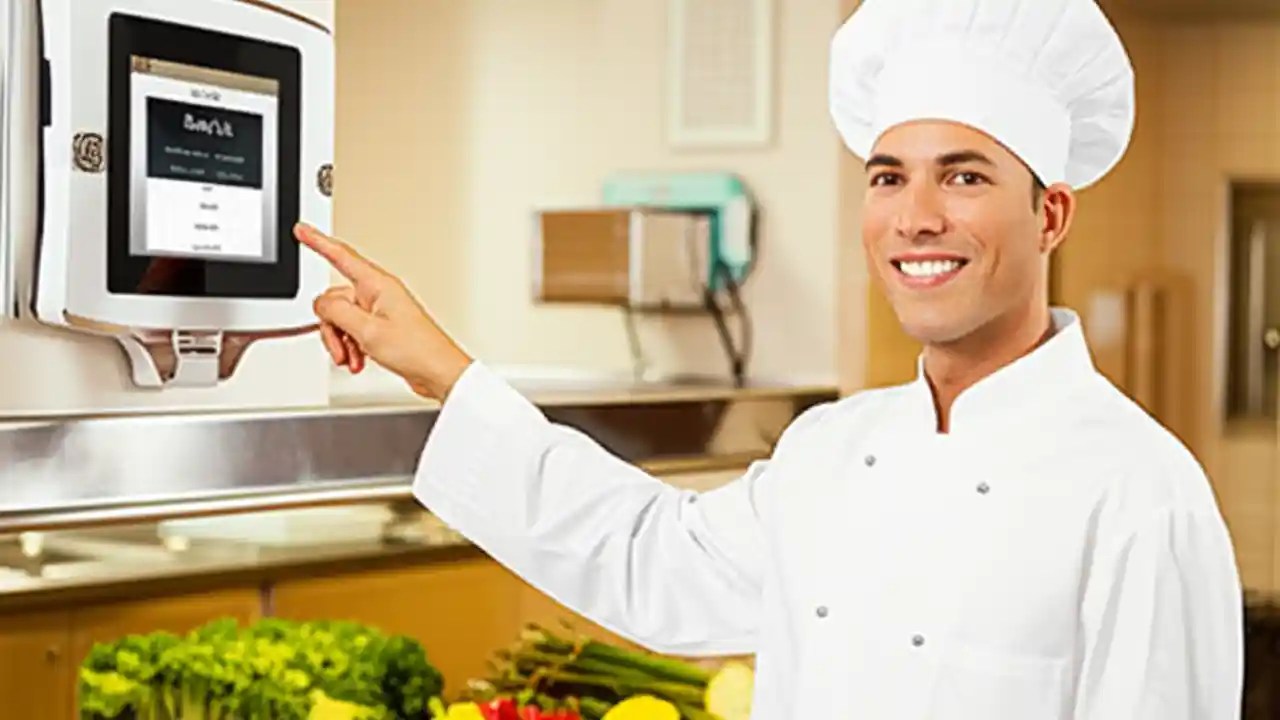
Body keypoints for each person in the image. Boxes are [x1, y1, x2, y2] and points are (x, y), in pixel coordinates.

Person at [297, 0, 1245, 716]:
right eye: (888, 176)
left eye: (964, 174)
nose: (916, 216)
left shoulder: (1140, 492)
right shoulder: (829, 450)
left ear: (1050, 214)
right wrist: (440, 371)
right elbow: (645, 556)